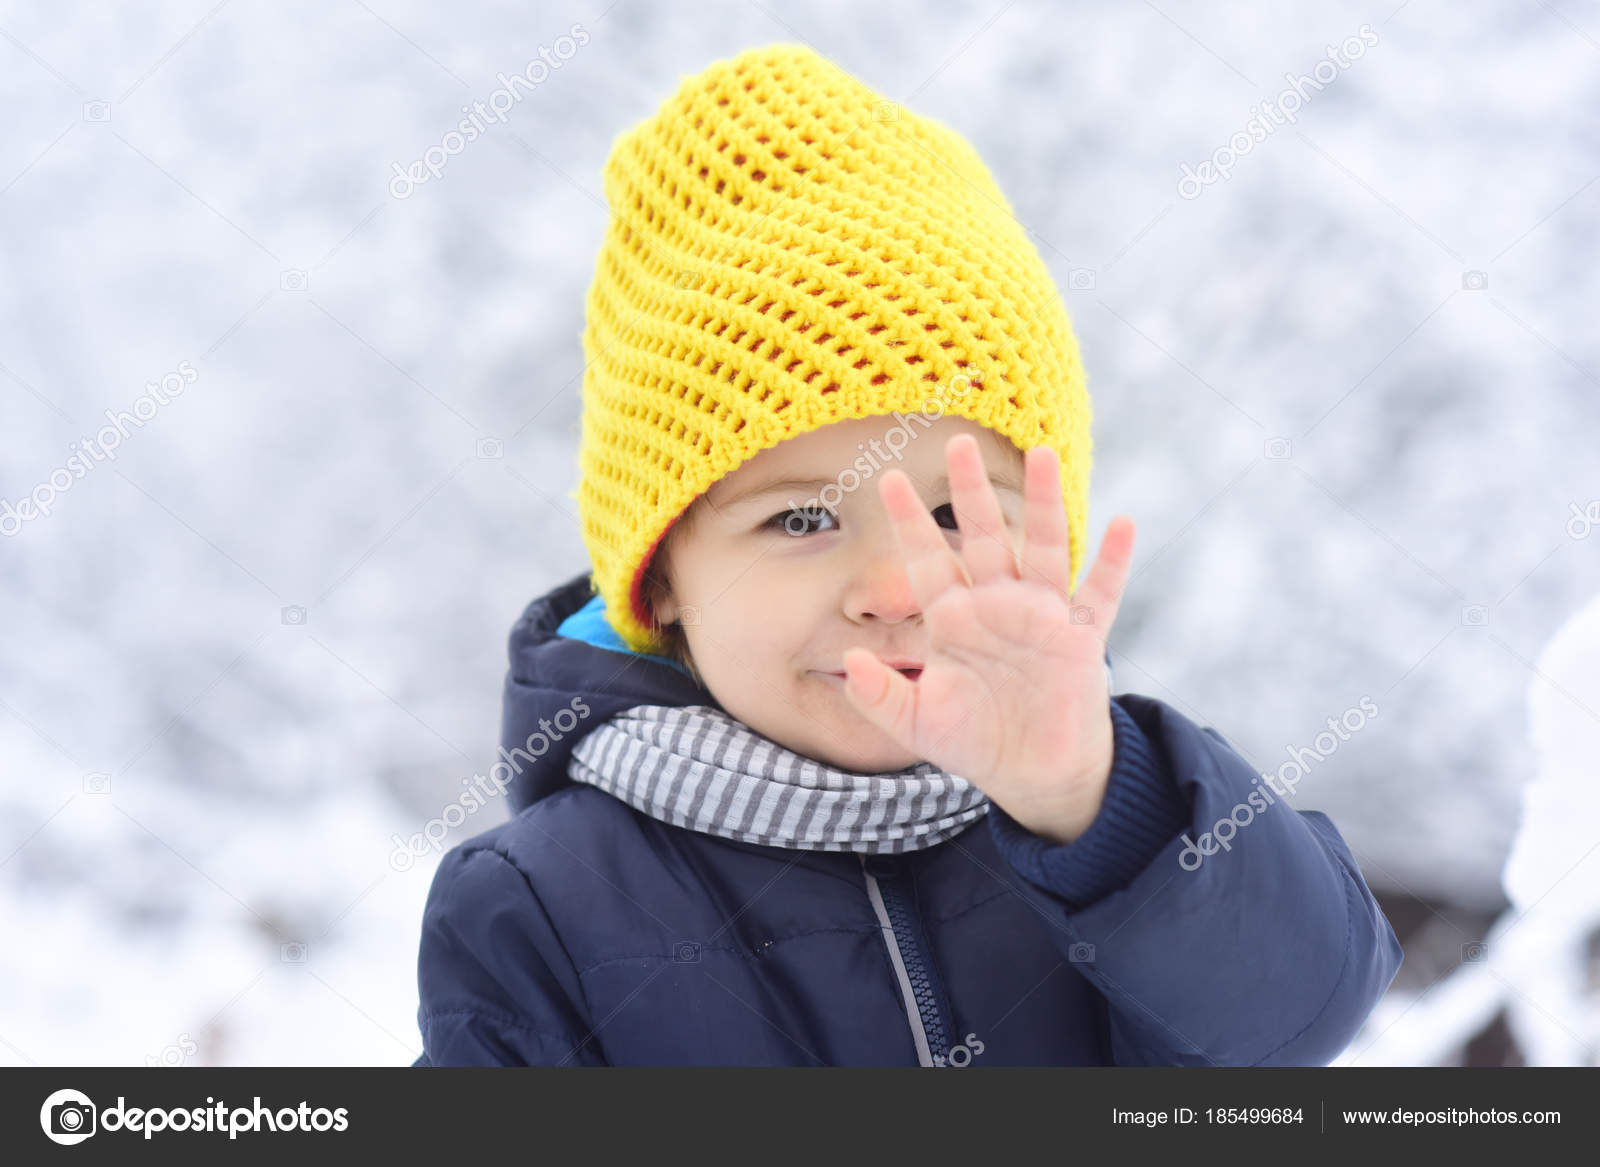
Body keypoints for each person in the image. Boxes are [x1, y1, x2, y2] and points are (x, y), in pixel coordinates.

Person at [411, 41, 1402, 1066]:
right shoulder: (540, 910)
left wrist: (1086, 802)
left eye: (955, 515)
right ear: (660, 575)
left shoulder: (1121, 827)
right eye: (799, 521)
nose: (894, 591)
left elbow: (1302, 1021)